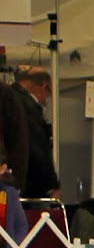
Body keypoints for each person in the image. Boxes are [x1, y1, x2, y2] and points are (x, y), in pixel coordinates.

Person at [10, 67, 58, 198]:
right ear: (43, 86)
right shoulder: (29, 108)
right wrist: (51, 183)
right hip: (28, 182)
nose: (46, 98)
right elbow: (38, 149)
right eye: (48, 93)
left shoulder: (7, 99)